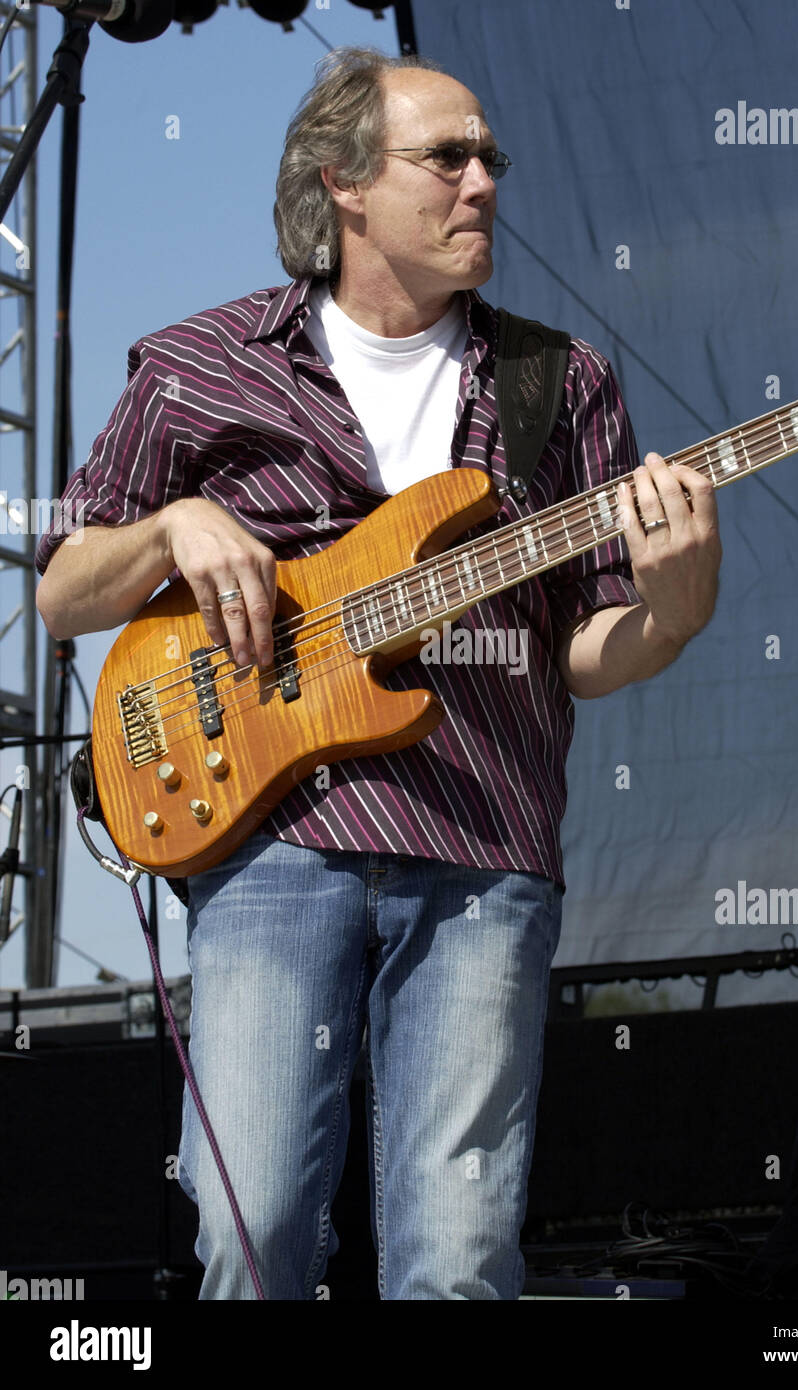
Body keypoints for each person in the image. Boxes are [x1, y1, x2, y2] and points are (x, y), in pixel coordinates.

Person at [34, 47, 721, 1300]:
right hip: (269, 841)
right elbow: (63, 588)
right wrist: (170, 529)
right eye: (447, 157)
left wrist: (673, 612)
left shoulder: (558, 383)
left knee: (458, 1264)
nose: (482, 185)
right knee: (253, 1239)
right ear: (343, 182)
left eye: (490, 159)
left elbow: (590, 644)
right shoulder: (201, 364)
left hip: (484, 852)